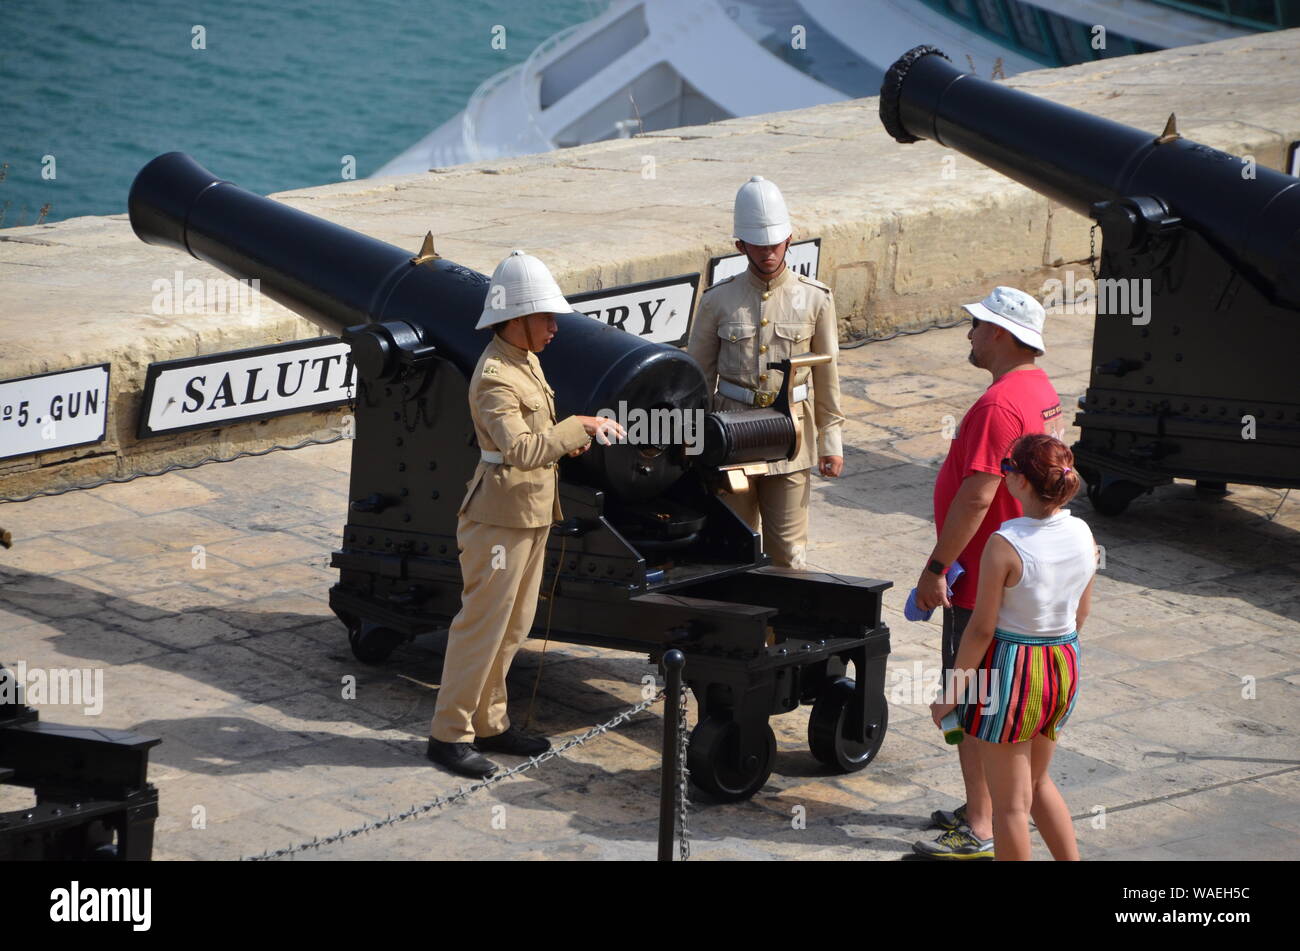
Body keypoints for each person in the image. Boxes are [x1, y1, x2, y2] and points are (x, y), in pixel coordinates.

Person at [426, 250, 625, 779]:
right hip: (499, 517)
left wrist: (569, 441)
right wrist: (576, 428)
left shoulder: (525, 361)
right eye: (545, 317)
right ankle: (449, 733)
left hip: (529, 511)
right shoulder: (495, 375)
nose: (554, 327)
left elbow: (541, 439)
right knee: (481, 626)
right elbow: (519, 450)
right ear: (515, 319)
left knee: (514, 625)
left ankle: (491, 722)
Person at [912, 286, 1065, 859]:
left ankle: (980, 824)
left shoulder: (998, 405)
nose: (969, 334)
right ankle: (986, 804)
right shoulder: (1040, 390)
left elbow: (977, 497)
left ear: (1001, 334)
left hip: (980, 579)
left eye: (977, 325)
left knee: (971, 700)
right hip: (1020, 576)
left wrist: (936, 569)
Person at [930, 433, 1096, 861]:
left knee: (1009, 807)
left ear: (1019, 481)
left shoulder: (1005, 544)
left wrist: (950, 694)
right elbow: (1081, 613)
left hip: (1012, 671)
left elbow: (981, 630)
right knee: (1039, 785)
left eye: (1006, 470)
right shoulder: (1082, 532)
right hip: (1063, 662)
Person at [687, 176, 845, 569]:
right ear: (741, 246)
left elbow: (827, 375)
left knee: (789, 554)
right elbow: (699, 378)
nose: (769, 253)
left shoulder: (815, 298)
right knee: (733, 544)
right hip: (733, 435)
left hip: (790, 436)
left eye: (775, 244)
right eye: (759, 245)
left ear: (790, 240)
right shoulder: (718, 301)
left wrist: (831, 441)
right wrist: (692, 442)